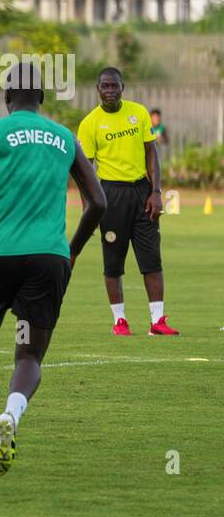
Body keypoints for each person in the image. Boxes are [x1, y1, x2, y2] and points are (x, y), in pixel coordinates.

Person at [0, 63, 106, 474]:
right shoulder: (65, 137)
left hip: (0, 254)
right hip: (48, 257)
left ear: (7, 98)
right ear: (42, 98)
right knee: (29, 353)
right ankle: (11, 413)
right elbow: (98, 202)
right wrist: (73, 250)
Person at [76, 68, 178, 336]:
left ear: (123, 87)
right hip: (110, 196)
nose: (110, 91)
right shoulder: (90, 123)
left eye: (115, 86)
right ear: (97, 89)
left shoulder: (139, 113)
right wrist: (89, 207)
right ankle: (119, 321)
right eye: (105, 87)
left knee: (151, 257)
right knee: (113, 261)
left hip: (142, 193)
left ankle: (158, 321)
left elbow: (151, 152)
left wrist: (156, 190)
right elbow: (84, 169)